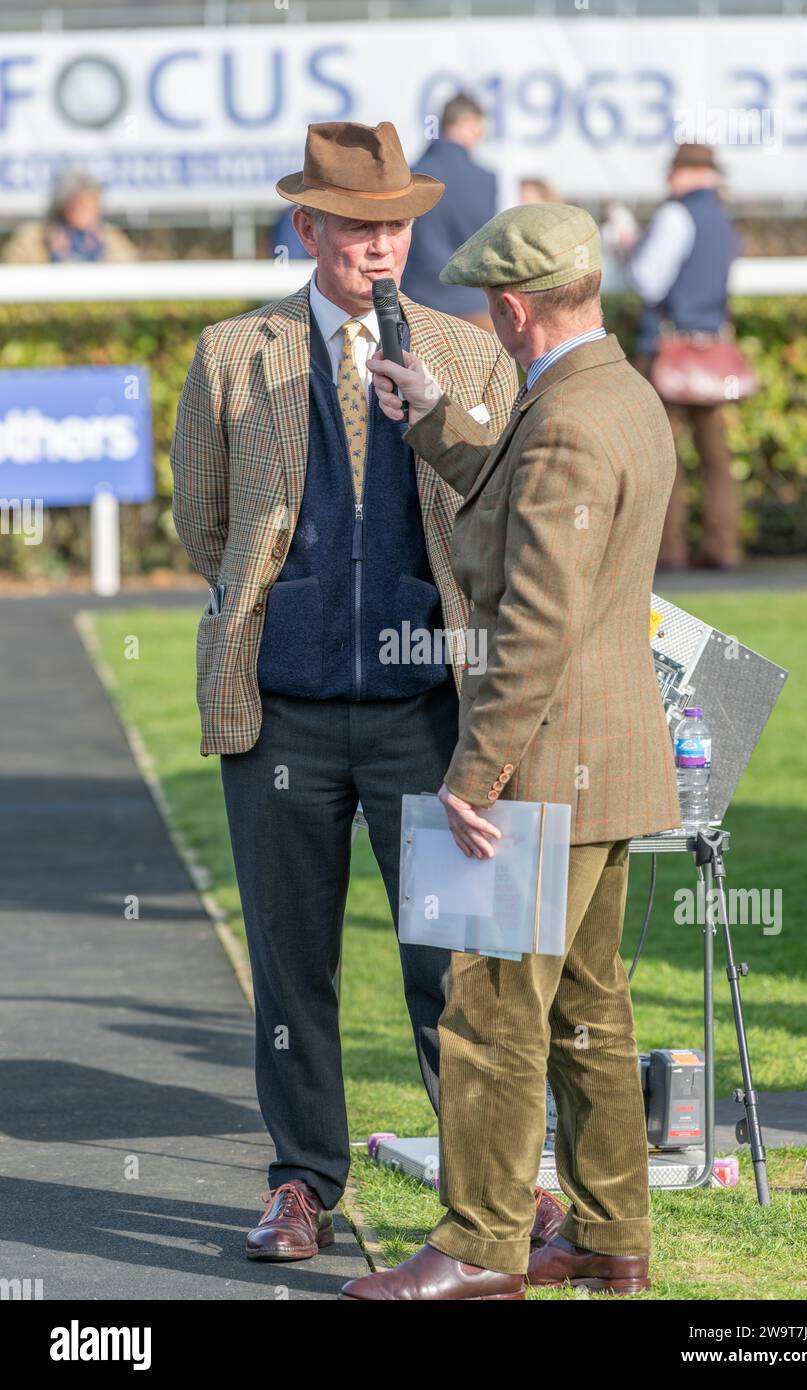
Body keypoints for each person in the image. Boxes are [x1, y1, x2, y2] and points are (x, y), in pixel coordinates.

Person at [169, 119, 518, 1263]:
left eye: (397, 223)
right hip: (283, 712)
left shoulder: (469, 357)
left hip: (433, 719)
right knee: (290, 965)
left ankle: (487, 1202)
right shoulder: (235, 353)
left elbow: (507, 522)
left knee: (456, 966)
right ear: (304, 225)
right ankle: (301, 1183)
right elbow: (203, 527)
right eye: (357, 224)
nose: (381, 244)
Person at [341, 202, 682, 1301]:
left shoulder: (567, 421)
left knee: (487, 1013)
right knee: (589, 1009)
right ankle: (607, 1236)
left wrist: (468, 774)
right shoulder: (613, 394)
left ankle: (477, 1247)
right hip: (608, 762)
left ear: (513, 307)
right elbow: (527, 510)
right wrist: (438, 419)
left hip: (533, 772)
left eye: (490, 307)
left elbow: (529, 623)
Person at [626, 143, 743, 569]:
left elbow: (648, 281)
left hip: (669, 351)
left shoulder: (676, 215)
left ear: (687, 173)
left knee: (661, 453)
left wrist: (630, 249)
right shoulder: (724, 219)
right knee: (716, 457)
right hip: (711, 352)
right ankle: (723, 546)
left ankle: (668, 548)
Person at [400, 94, 498, 332]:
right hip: (475, 309)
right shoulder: (487, 179)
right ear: (468, 122)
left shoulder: (408, 176)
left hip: (418, 307)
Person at [2, 168, 137, 264]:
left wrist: (103, 255)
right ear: (63, 205)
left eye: (94, 205)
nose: (90, 212)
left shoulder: (111, 237)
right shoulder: (32, 237)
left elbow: (131, 271)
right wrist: (51, 257)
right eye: (82, 205)